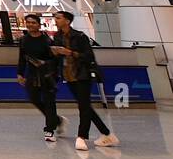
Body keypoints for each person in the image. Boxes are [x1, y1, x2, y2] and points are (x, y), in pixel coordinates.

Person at [50, 11, 118, 151]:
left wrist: (70, 53)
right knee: (85, 106)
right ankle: (107, 134)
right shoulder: (57, 36)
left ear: (67, 21)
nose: (55, 20)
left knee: (83, 107)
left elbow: (88, 56)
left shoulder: (79, 36)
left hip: (82, 75)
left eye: (58, 18)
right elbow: (56, 58)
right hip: (69, 76)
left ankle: (82, 137)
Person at [17, 13, 64, 141]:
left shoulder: (47, 40)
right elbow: (22, 58)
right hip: (32, 74)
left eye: (33, 22)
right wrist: (20, 73)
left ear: (39, 24)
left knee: (49, 102)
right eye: (28, 22)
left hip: (47, 75)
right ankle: (56, 120)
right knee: (34, 99)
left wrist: (53, 71)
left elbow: (55, 57)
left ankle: (49, 129)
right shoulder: (23, 40)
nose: (30, 25)